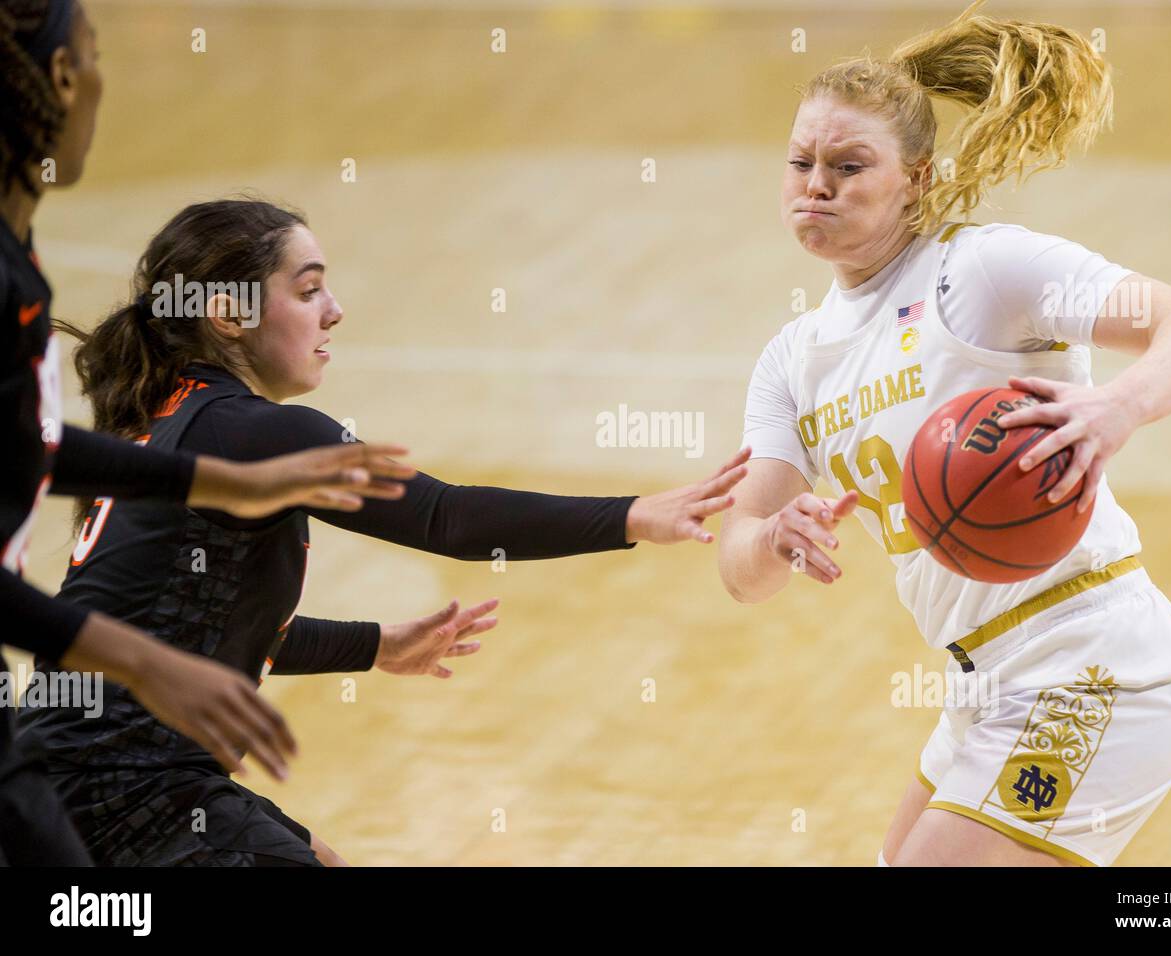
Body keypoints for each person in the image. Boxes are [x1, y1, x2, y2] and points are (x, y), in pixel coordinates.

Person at [17, 195, 750, 865]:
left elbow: (200, 629)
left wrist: (375, 645)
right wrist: (632, 516)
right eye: (307, 291)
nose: (333, 310)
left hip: (89, 770)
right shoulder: (253, 432)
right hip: (121, 788)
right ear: (229, 314)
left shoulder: (179, 417)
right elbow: (446, 517)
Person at [717, 0, 1171, 866]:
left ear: (917, 180)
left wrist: (1117, 406)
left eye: (849, 166)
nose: (818, 183)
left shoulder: (983, 270)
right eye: (801, 162)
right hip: (983, 680)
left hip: (1097, 663)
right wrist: (774, 535)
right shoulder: (791, 360)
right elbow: (741, 569)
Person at [0, 0, 418, 865]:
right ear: (62, 78)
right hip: (104, 771)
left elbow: (31, 448)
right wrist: (144, 662)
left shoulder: (20, 265)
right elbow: (449, 516)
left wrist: (222, 485)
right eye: (95, 52)